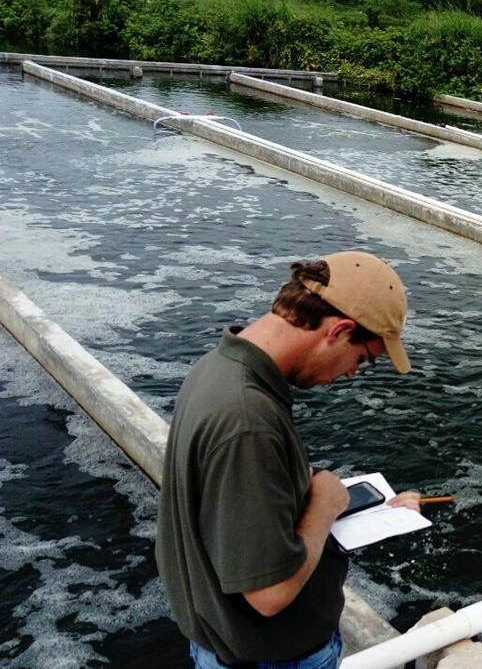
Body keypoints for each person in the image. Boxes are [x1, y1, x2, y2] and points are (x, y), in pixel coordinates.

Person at [156, 252, 422, 669]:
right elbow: (270, 594)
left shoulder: (220, 367)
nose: (351, 375)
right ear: (340, 330)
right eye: (361, 360)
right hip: (270, 658)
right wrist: (325, 503)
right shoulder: (248, 420)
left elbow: (240, 505)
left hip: (226, 644)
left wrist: (344, 501)